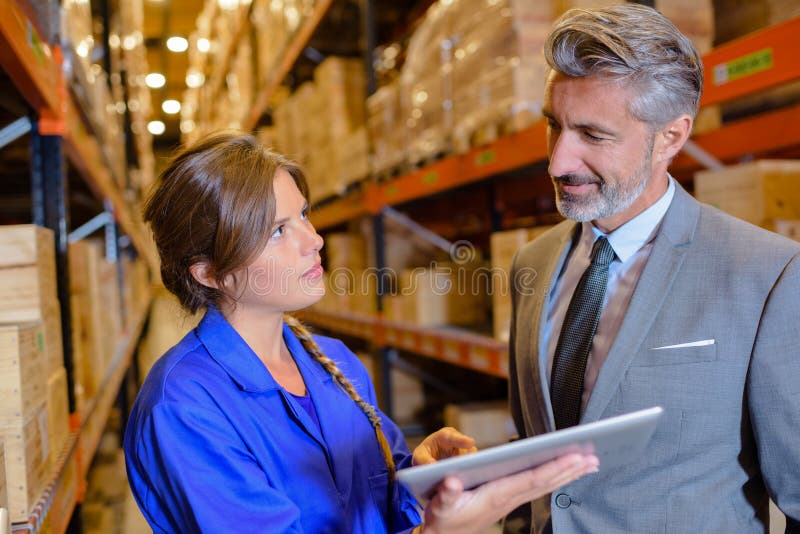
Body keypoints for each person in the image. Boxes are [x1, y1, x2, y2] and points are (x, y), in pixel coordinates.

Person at [124, 131, 598, 534]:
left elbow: (385, 503)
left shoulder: (335, 363)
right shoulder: (184, 408)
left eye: (303, 215)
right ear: (209, 272)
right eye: (277, 231)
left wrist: (421, 479)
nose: (314, 240)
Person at [507, 4, 800, 533]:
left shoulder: (767, 274)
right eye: (554, 125)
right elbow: (532, 455)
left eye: (593, 135)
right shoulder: (532, 265)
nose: (557, 162)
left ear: (671, 137)